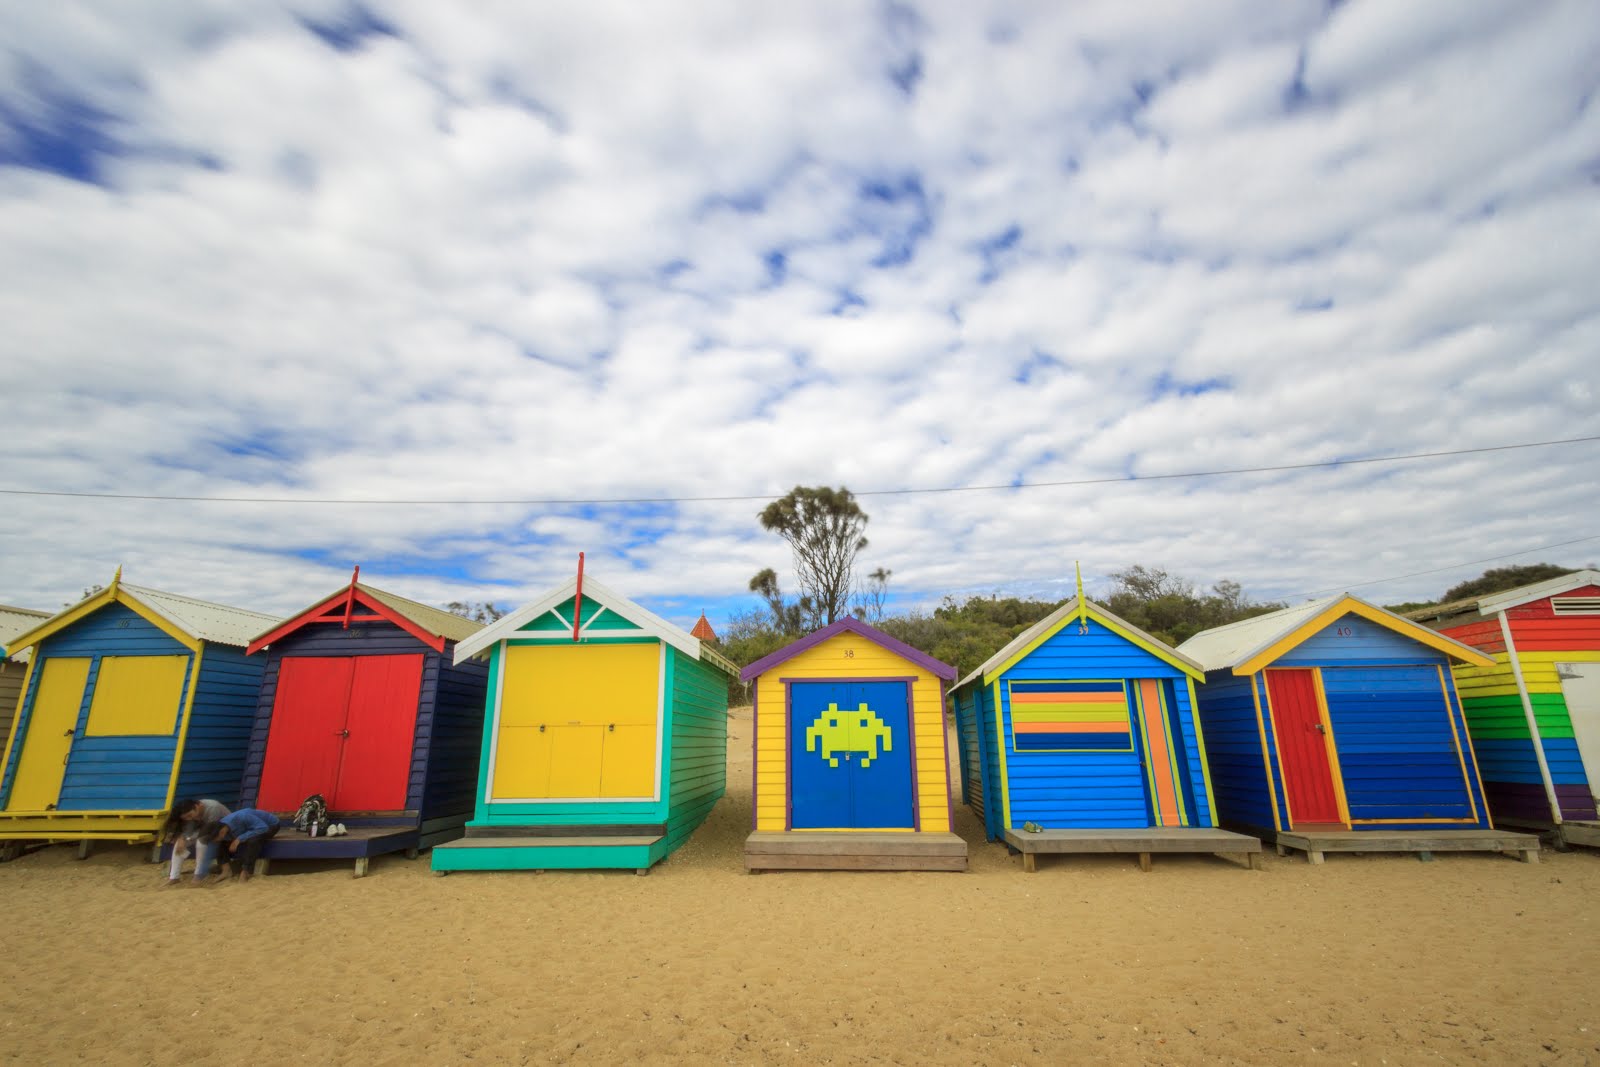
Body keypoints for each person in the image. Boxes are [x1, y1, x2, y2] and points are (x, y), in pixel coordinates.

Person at [162, 798, 229, 886]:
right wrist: (183, 838)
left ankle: (198, 875)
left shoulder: (213, 808)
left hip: (223, 833)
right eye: (186, 818)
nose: (190, 818)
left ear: (197, 806)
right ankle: (174, 877)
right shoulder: (193, 811)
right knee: (180, 843)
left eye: (190, 815)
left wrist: (188, 838)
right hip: (205, 832)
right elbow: (190, 828)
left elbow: (211, 829)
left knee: (201, 842)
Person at [209, 808, 281, 883]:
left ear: (221, 832)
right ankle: (226, 871)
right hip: (250, 828)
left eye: (218, 837)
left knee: (253, 841)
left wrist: (239, 839)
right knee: (219, 843)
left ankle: (245, 872)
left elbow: (263, 828)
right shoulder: (220, 826)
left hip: (270, 825)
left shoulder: (242, 817)